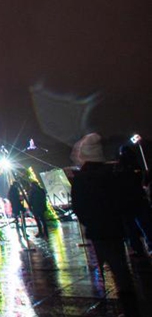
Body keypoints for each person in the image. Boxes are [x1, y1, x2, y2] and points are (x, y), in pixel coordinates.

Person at [71, 133, 139, 316]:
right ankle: (129, 305)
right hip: (114, 227)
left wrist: (89, 221)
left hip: (96, 230)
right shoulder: (111, 174)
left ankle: (109, 305)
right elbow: (124, 200)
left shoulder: (81, 179)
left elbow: (78, 206)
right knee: (120, 267)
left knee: (102, 266)